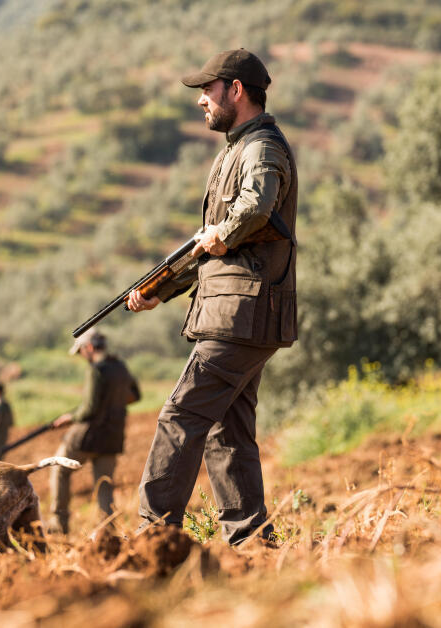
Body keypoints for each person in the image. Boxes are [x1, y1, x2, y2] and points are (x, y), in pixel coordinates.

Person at [125, 48, 298, 545]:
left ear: (236, 90)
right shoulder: (236, 149)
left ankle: (154, 539)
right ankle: (252, 542)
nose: (201, 100)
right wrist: (163, 289)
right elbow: (211, 244)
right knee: (229, 430)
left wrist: (225, 231)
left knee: (180, 418)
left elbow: (255, 208)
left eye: (208, 89)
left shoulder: (261, 147)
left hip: (240, 316)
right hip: (237, 312)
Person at [47, 327, 140, 534]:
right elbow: (135, 395)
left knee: (59, 470)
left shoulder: (95, 369)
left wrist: (69, 418)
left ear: (89, 347)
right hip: (112, 437)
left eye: (81, 352)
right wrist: (112, 403)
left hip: (87, 438)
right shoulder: (120, 367)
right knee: (104, 485)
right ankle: (108, 532)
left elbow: (89, 409)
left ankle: (58, 524)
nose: (82, 356)